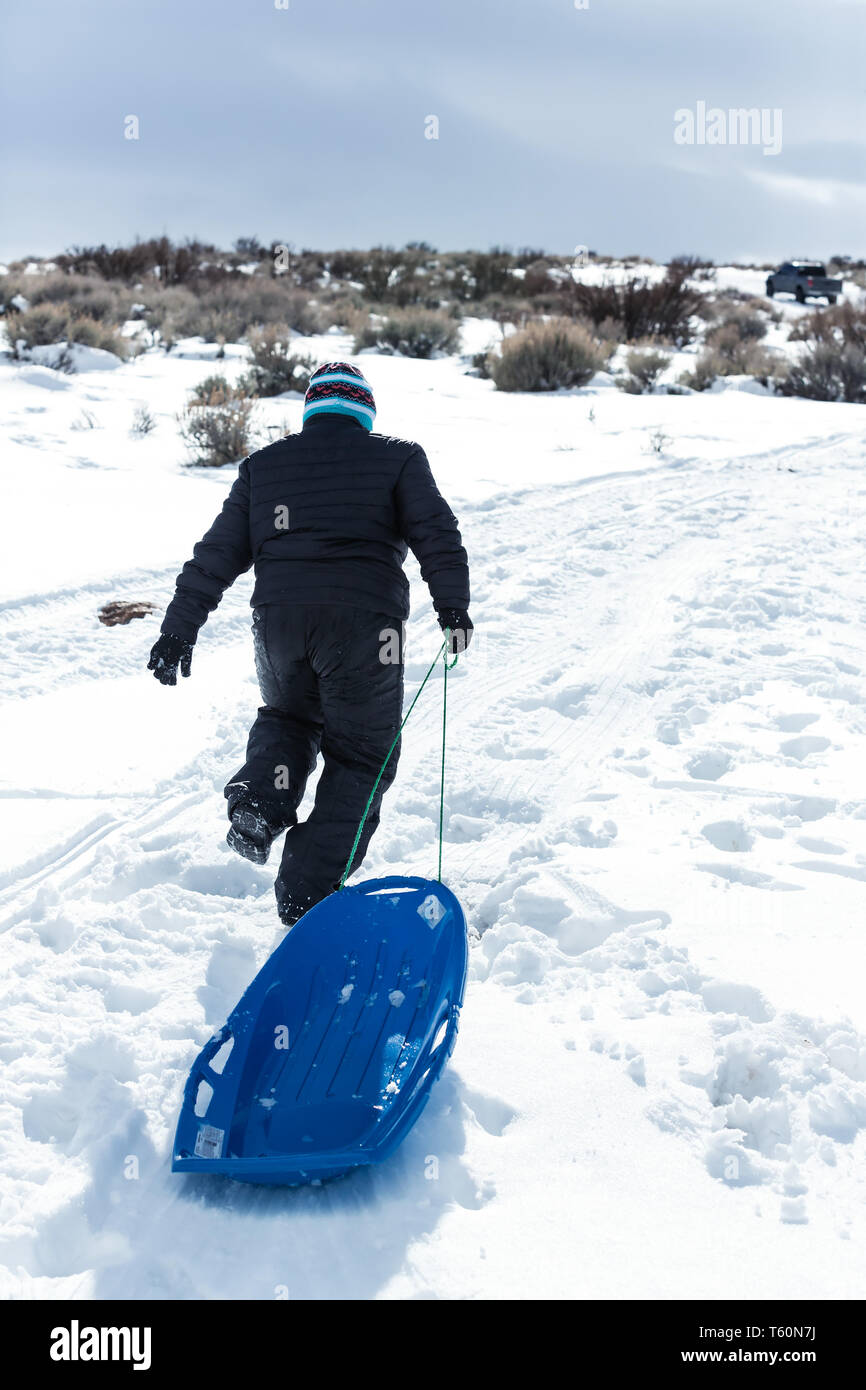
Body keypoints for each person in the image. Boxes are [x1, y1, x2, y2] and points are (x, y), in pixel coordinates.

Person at [148, 361, 472, 925]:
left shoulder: (263, 467)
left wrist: (179, 626)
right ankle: (307, 892)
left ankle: (260, 803)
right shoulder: (398, 457)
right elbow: (436, 533)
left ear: (311, 411)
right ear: (364, 412)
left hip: (278, 625)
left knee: (288, 719)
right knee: (362, 755)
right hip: (365, 628)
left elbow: (215, 555)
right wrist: (452, 605)